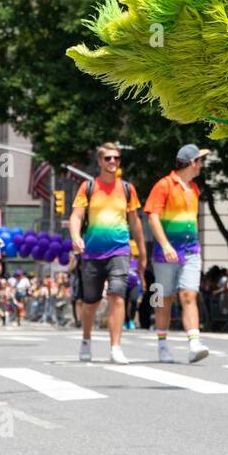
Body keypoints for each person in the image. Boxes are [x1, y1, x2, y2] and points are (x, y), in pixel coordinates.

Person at [68, 143, 148, 363]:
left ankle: (115, 348)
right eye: (108, 158)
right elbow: (76, 216)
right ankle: (86, 340)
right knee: (90, 302)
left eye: (116, 158)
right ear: (100, 162)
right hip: (92, 253)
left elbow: (135, 222)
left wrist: (142, 253)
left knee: (117, 296)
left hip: (120, 251)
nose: (113, 162)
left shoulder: (127, 189)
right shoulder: (88, 187)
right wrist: (76, 236)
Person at [144, 144, 212, 364]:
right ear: (192, 162)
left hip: (191, 251)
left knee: (189, 295)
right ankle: (162, 345)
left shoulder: (194, 188)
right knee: (164, 299)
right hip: (166, 254)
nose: (202, 164)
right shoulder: (164, 185)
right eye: (200, 160)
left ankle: (194, 343)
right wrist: (165, 245)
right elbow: (153, 216)